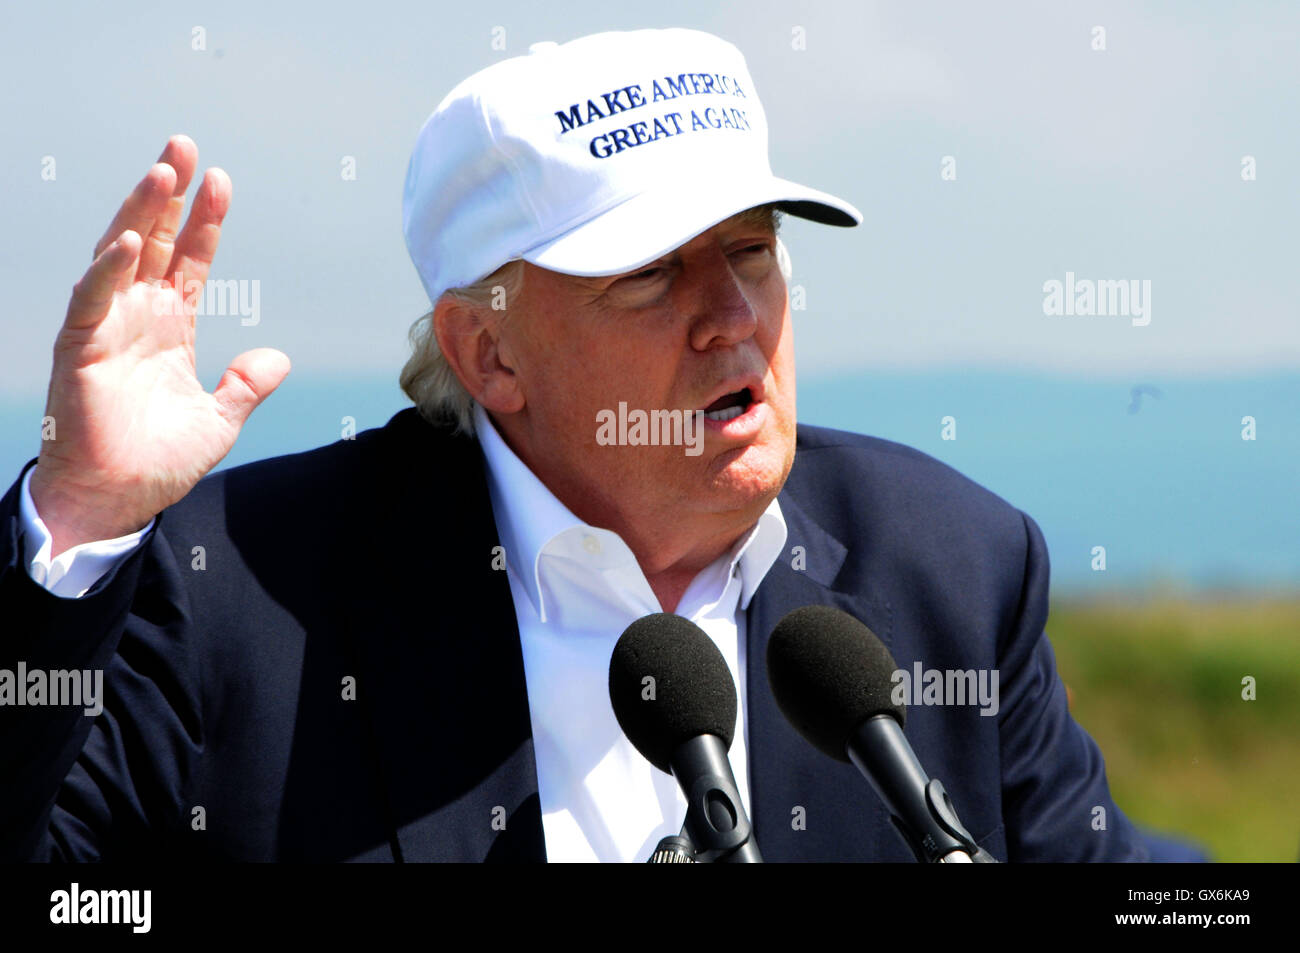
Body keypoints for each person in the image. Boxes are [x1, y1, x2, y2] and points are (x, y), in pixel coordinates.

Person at [0, 27, 1149, 862]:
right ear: (489, 352)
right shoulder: (240, 591)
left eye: (749, 251)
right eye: (651, 272)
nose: (733, 318)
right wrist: (81, 523)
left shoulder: (949, 560)